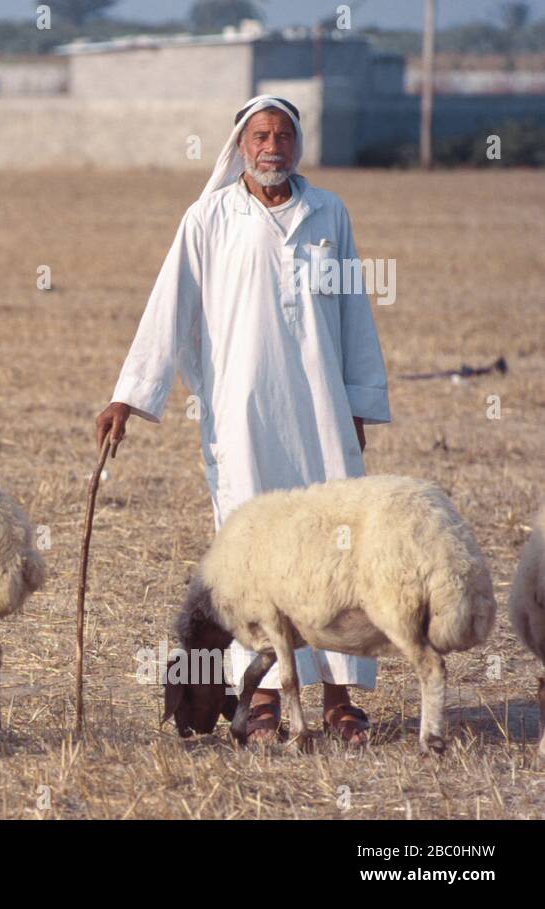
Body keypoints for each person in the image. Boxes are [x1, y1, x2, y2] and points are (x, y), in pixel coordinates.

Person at [94, 95, 391, 746]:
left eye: (284, 134)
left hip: (320, 415)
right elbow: (167, 308)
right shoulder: (208, 218)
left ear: (298, 145)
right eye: (260, 134)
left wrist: (359, 402)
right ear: (240, 145)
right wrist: (128, 396)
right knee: (252, 562)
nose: (272, 145)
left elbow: (353, 314)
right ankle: (259, 700)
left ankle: (340, 699)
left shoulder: (328, 215)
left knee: (335, 554)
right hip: (241, 416)